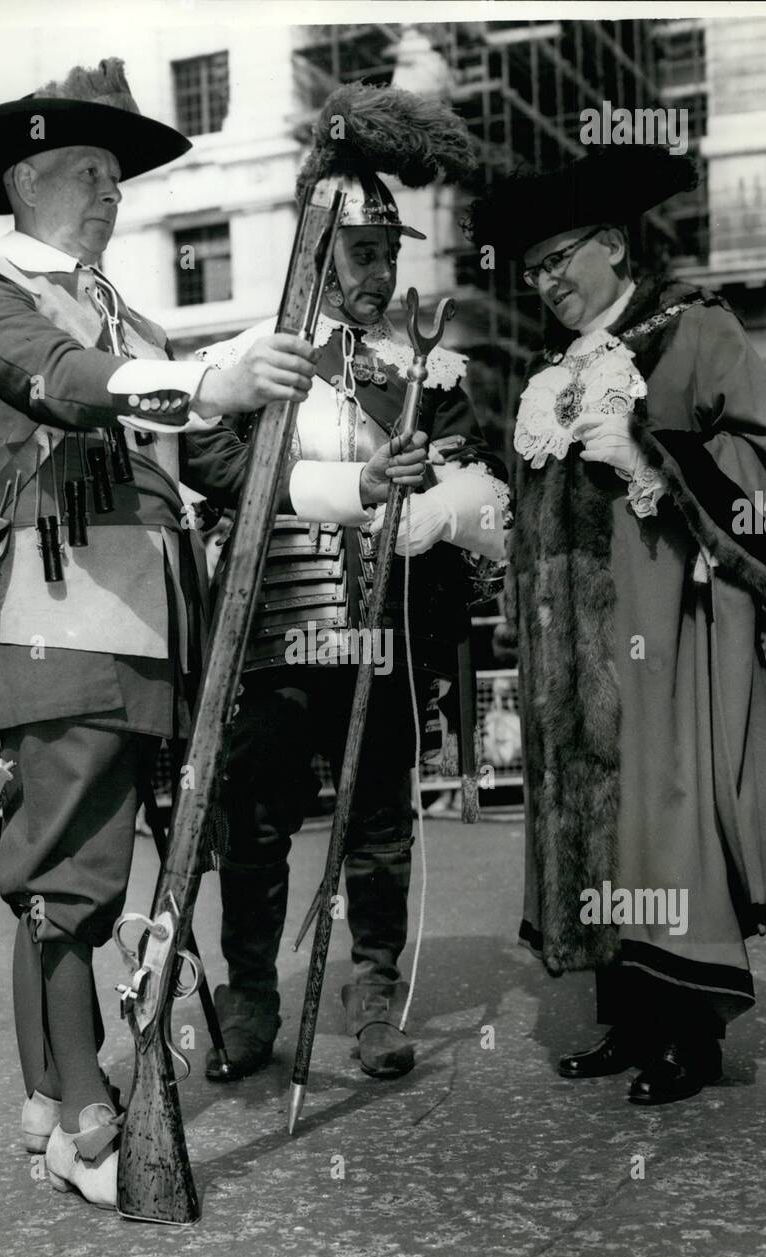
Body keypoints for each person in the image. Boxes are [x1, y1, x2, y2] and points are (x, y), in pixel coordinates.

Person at [0, 58, 424, 1208]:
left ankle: (49, 1100)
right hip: (61, 618)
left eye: (116, 177)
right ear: (25, 176)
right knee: (69, 871)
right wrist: (210, 371)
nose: (112, 192)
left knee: (91, 865)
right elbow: (62, 382)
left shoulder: (126, 314)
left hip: (156, 633)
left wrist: (355, 480)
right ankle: (91, 1124)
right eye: (91, 172)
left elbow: (227, 470)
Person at [468, 146, 766, 1105]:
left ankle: (690, 1037)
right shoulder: (553, 373)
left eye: (560, 259)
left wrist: (650, 453)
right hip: (572, 652)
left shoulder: (695, 332)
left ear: (616, 247)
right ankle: (627, 1019)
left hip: (671, 635)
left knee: (666, 821)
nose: (544, 282)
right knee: (597, 827)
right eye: (533, 267)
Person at [197, 86, 508, 1085]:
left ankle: (375, 994)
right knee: (255, 827)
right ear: (317, 253)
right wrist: (349, 485)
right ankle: (250, 1002)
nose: (381, 272)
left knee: (379, 828)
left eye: (389, 253)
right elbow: (214, 467)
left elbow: (488, 492)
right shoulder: (263, 358)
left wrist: (432, 492)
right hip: (281, 637)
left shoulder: (433, 370)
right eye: (362, 253)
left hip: (386, 636)